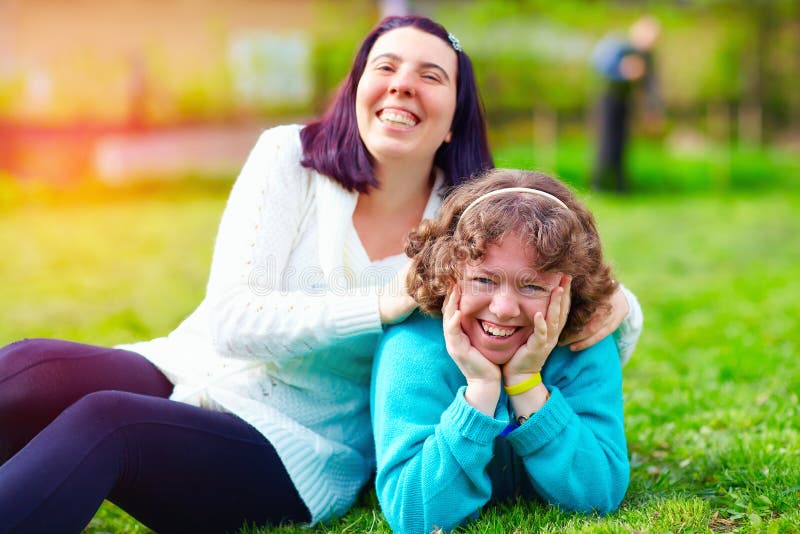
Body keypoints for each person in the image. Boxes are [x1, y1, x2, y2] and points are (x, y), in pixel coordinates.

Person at [0, 15, 640, 534]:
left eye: (431, 76)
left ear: (454, 120)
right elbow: (230, 321)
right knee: (26, 370)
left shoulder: (466, 223)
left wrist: (618, 306)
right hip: (198, 369)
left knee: (107, 423)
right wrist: (382, 303)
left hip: (301, 441)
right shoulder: (290, 157)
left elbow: (550, 276)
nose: (401, 85)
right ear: (357, 89)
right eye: (384, 67)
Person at [371, 169, 630, 534]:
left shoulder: (583, 341)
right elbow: (414, 514)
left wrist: (526, 386)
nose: (505, 308)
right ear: (449, 273)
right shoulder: (413, 347)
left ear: (568, 288)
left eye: (533, 286)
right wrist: (480, 392)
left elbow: (597, 494)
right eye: (483, 279)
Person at [591, 15, 662, 192]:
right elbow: (599, 65)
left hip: (626, 101)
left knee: (622, 144)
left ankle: (620, 185)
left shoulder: (647, 56)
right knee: (606, 142)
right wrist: (622, 71)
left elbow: (650, 84)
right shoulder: (617, 45)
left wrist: (652, 110)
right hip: (609, 99)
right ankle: (599, 183)